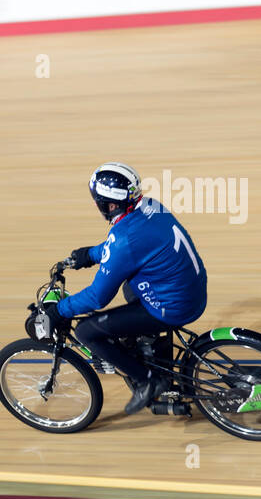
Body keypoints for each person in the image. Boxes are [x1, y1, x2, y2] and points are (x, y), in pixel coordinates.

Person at [44, 163, 208, 414]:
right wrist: (90, 254)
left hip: (173, 306)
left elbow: (98, 296)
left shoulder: (124, 240)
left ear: (109, 205)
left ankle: (149, 380)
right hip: (190, 288)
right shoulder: (150, 206)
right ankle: (151, 349)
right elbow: (127, 248)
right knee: (129, 288)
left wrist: (60, 311)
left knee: (87, 331)